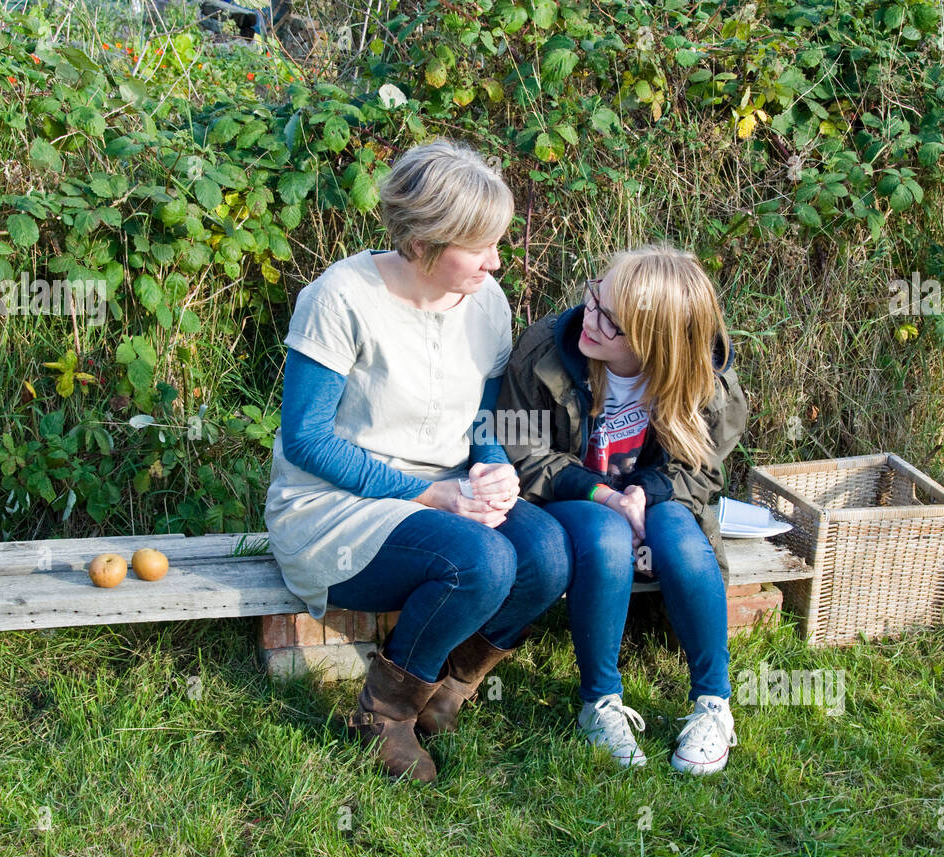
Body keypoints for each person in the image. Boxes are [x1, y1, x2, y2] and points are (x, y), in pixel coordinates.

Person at [264, 139, 571, 783]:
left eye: (499, 242)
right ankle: (383, 716)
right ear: (424, 244)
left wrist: (492, 466)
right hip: (336, 508)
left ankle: (449, 687)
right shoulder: (340, 298)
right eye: (480, 247)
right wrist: (429, 495)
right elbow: (308, 440)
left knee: (547, 552)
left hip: (444, 492)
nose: (496, 262)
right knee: (481, 562)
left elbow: (484, 413)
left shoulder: (486, 302)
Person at [498, 245, 749, 775]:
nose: (590, 318)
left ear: (654, 339)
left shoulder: (706, 379)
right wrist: (607, 494)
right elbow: (524, 455)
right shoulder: (546, 351)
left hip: (654, 495)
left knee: (681, 538)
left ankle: (714, 704)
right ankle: (600, 704)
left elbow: (702, 469)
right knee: (608, 535)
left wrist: (647, 490)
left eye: (611, 321)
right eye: (594, 297)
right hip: (573, 497)